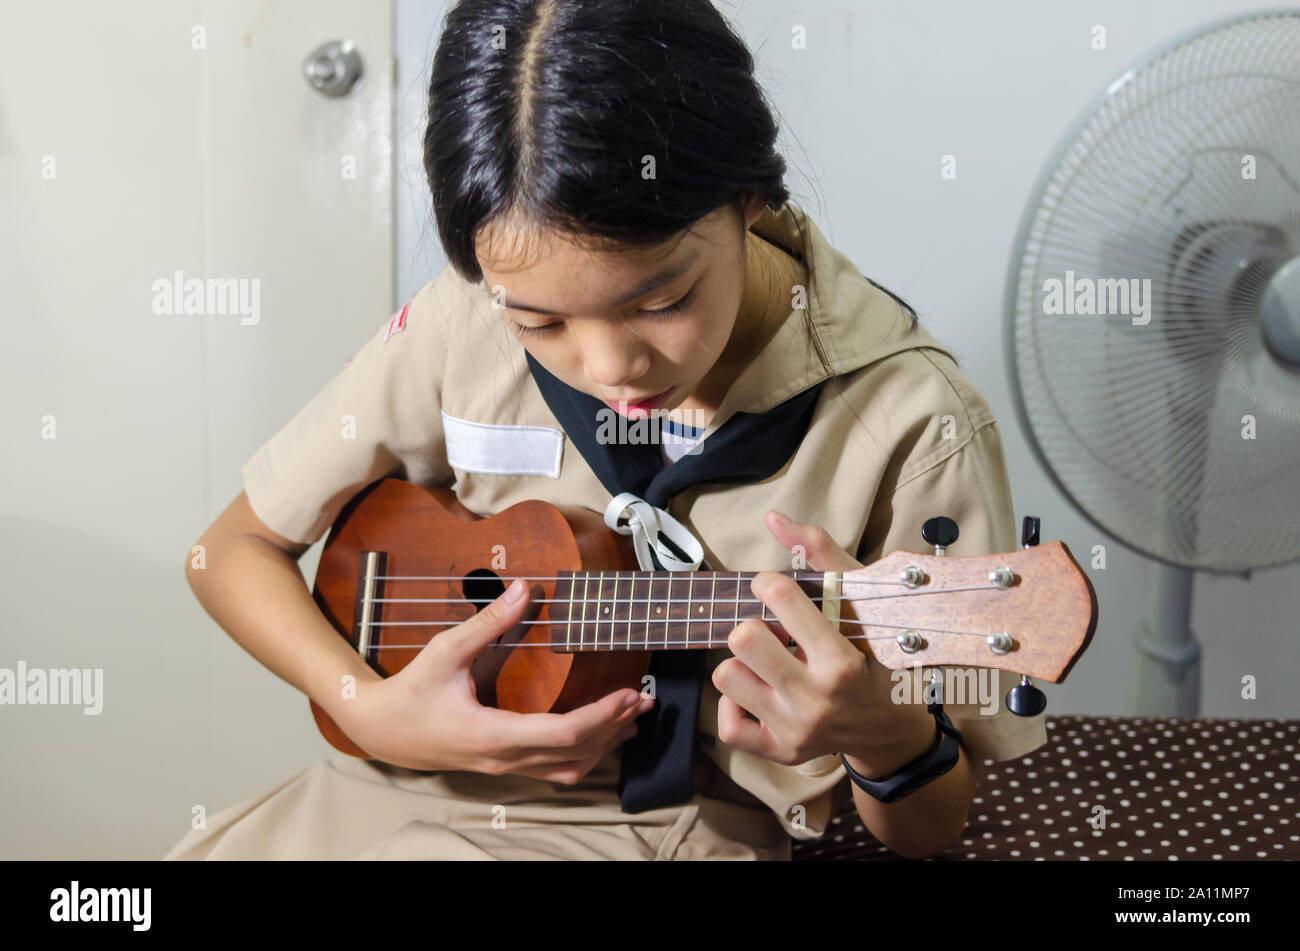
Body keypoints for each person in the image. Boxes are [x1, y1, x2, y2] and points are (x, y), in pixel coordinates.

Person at [166, 0, 1046, 861]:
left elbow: (931, 825)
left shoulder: (916, 424)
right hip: (391, 779)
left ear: (748, 197)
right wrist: (364, 705)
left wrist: (884, 739)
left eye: (660, 300)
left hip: (665, 820)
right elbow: (231, 550)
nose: (610, 367)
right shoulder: (464, 319)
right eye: (540, 322)